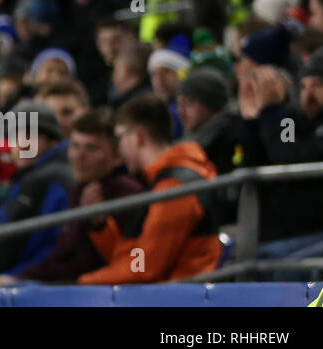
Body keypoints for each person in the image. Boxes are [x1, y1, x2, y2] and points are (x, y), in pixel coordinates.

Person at [0, 108, 144, 286]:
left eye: (91, 148)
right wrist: (17, 279)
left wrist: (99, 226)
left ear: (116, 156)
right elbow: (61, 258)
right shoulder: (80, 189)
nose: (79, 157)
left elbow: (120, 264)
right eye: (74, 146)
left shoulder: (128, 195)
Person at [77, 94, 221, 284]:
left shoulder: (174, 187)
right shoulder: (160, 182)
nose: (119, 149)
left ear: (137, 136)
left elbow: (145, 269)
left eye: (119, 138)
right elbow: (136, 257)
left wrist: (81, 284)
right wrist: (100, 225)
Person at [0, 101, 74, 279]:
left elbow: (13, 245)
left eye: (31, 135)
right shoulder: (35, 176)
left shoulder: (47, 179)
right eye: (15, 136)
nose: (22, 144)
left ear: (53, 141)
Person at [236, 48, 323, 255]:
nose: (308, 95)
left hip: (315, 231)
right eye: (303, 86)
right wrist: (252, 120)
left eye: (318, 85)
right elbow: (255, 161)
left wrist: (272, 111)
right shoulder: (292, 119)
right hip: (279, 232)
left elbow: (290, 159)